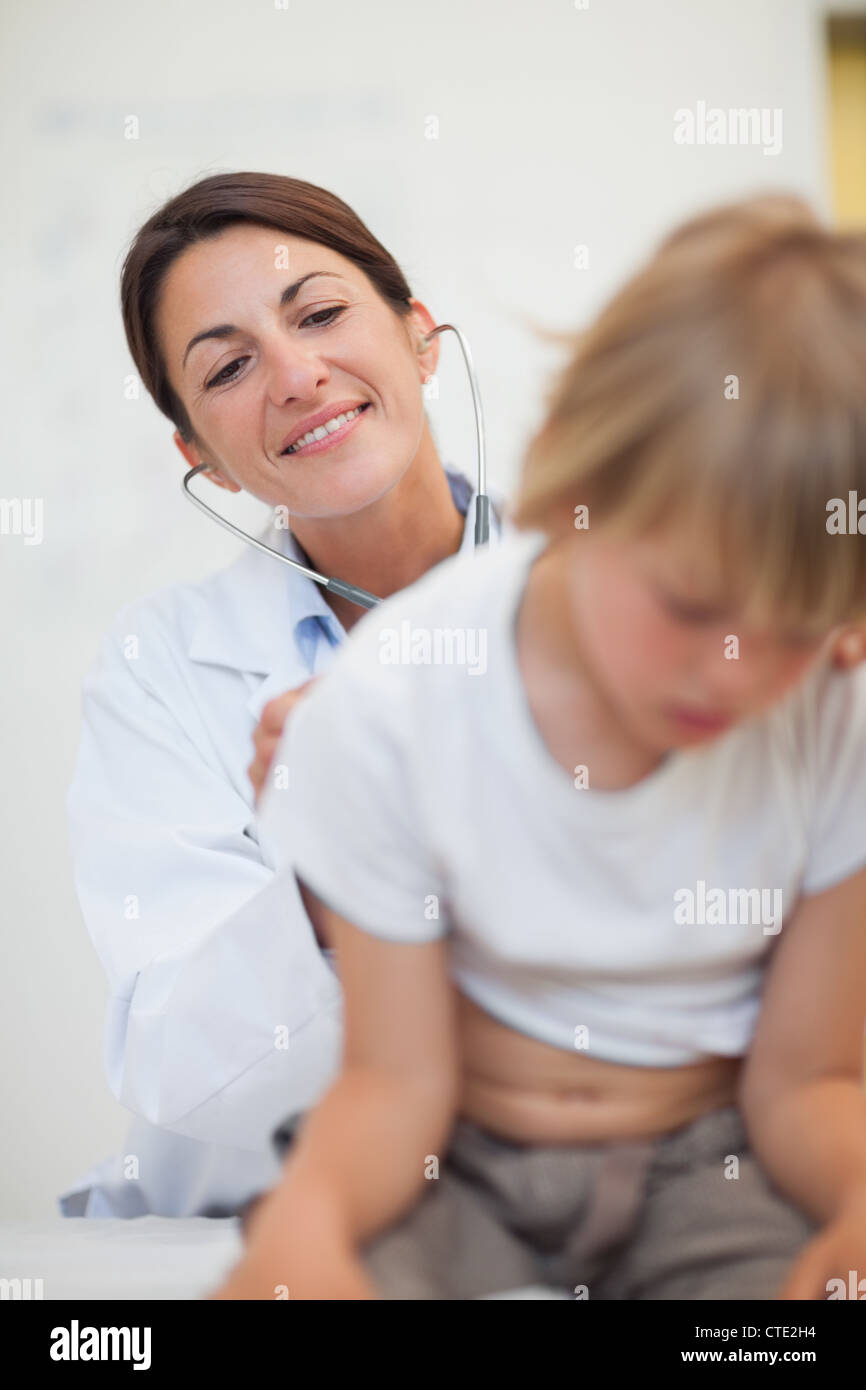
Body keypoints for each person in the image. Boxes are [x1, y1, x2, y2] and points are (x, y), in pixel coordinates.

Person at [214, 192, 866, 1300]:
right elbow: (391, 1083)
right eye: (687, 603)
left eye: (796, 631)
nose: (734, 672)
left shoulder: (835, 715)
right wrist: (307, 1228)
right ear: (567, 485)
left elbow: (809, 1080)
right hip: (452, 1158)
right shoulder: (389, 701)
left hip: (711, 1167)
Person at [61, 171, 506, 1218]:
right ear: (201, 458)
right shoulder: (159, 666)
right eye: (227, 367)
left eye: (319, 313)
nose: (297, 374)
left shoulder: (614, 612)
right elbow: (175, 1057)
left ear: (419, 336)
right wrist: (328, 870)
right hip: (235, 1237)